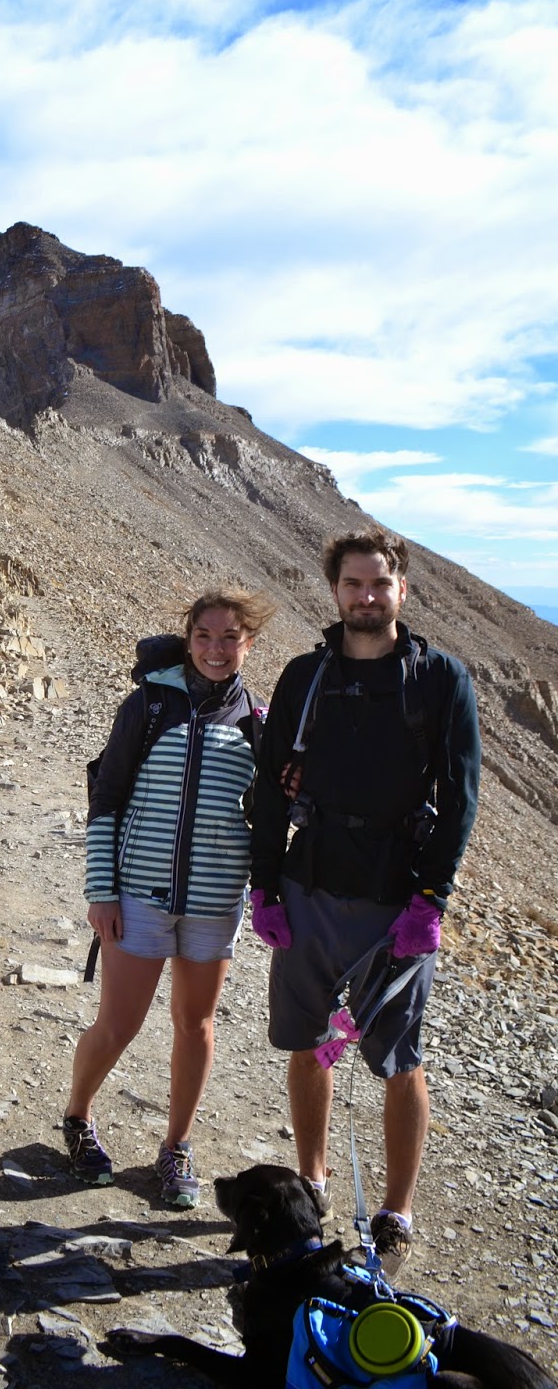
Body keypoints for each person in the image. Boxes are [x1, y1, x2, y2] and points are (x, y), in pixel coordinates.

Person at [249, 529, 480, 1277]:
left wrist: (431, 897)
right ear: (335, 591)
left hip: (395, 896)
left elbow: (461, 797)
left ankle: (397, 1210)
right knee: (309, 1041)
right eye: (353, 584)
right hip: (309, 885)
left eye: (380, 583)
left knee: (399, 1058)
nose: (367, 597)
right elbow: (268, 786)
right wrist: (264, 884)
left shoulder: (440, 679)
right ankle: (312, 1179)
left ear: (402, 589)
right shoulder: (305, 677)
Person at [64, 586, 275, 1208]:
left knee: (196, 1025)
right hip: (139, 896)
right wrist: (102, 892)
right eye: (204, 636)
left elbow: (268, 817)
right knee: (119, 1025)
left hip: (214, 903)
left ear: (249, 644)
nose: (216, 649)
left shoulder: (259, 722)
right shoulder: (149, 705)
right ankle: (77, 1116)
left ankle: (176, 1146)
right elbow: (107, 798)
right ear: (188, 640)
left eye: (230, 638)